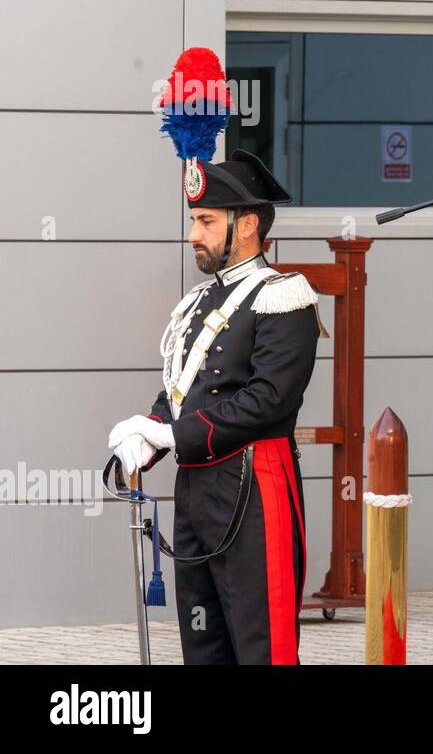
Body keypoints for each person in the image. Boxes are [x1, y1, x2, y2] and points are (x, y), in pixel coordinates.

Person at [108, 48, 323, 664]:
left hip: (255, 482)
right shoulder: (197, 303)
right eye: (194, 219)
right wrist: (149, 433)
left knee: (261, 646)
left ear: (247, 226)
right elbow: (183, 390)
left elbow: (268, 399)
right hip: (198, 485)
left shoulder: (283, 294)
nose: (193, 234)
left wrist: (174, 434)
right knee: (202, 645)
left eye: (204, 220)